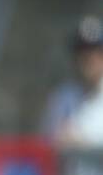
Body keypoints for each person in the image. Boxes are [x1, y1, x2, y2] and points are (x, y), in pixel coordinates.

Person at [43, 15, 103, 148]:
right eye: (81, 51)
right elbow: (47, 143)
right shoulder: (62, 96)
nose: (87, 58)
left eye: (93, 51)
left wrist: (81, 142)